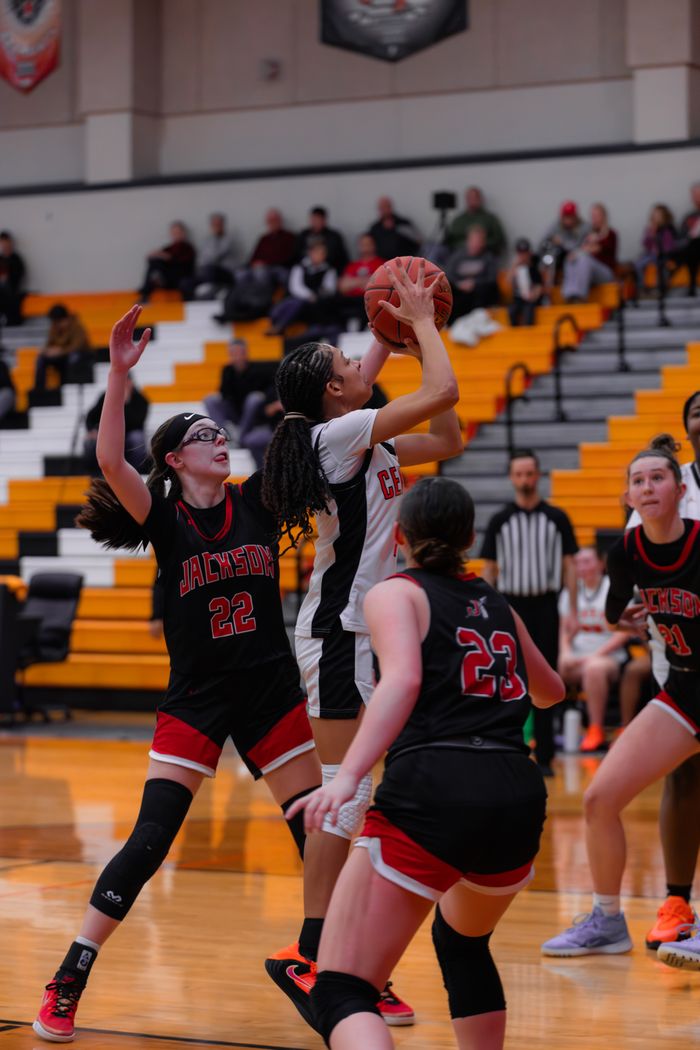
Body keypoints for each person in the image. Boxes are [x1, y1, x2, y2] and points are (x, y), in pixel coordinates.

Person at [32, 305, 326, 1043]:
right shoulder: (163, 518)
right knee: (150, 838)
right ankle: (70, 974)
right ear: (173, 461)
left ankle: (345, 967)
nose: (218, 441)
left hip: (268, 689)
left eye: (219, 433)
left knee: (320, 832)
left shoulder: (259, 500)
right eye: (202, 438)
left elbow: (328, 427)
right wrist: (120, 374)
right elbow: (108, 464)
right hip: (197, 698)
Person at [286, 476, 565, 1049]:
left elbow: (403, 681)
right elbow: (553, 691)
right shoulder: (496, 602)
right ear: (468, 537)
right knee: (462, 942)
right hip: (517, 794)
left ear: (402, 535)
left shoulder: (394, 593)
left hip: (434, 788)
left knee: (340, 990)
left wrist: (349, 777)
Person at [261, 258, 463, 1026]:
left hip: (363, 636)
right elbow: (437, 392)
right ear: (333, 394)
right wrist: (424, 325)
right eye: (351, 363)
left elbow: (446, 430)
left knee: (365, 795)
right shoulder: (337, 436)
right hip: (341, 637)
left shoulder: (363, 442)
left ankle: (346, 958)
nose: (362, 361)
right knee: (345, 795)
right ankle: (318, 954)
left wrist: (401, 330)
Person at [541, 434, 700, 958]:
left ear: (681, 489)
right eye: (638, 481)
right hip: (683, 688)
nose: (648, 487)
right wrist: (625, 620)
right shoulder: (625, 551)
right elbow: (614, 611)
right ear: (628, 497)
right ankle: (608, 921)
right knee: (599, 797)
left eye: (658, 478)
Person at [626, 391, 700, 954]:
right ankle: (677, 902)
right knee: (683, 774)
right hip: (679, 652)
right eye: (696, 411)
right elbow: (636, 566)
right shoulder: (667, 485)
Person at [480, 449, 578, 775]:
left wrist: (573, 610)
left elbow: (570, 567)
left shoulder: (557, 518)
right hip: (511, 607)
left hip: (546, 606)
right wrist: (488, 612)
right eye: (519, 474)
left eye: (529, 473)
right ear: (512, 477)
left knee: (547, 677)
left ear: (538, 476)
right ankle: (513, 747)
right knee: (510, 678)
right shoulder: (499, 520)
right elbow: (490, 570)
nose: (524, 479)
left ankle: (547, 757)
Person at [558, 547, 649, 752]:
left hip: (608, 657)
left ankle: (595, 728)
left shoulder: (613, 587)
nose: (582, 566)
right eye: (579, 562)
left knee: (594, 669)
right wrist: (565, 654)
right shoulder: (570, 591)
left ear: (601, 564)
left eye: (587, 561)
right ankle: (543, 731)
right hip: (576, 658)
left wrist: (592, 656)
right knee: (549, 668)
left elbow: (623, 632)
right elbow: (564, 629)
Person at [202, 338, 272, 439]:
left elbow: (266, 391)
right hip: (235, 411)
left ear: (245, 353)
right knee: (210, 399)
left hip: (254, 415)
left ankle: (241, 437)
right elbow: (224, 393)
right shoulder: (228, 370)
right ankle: (224, 436)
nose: (236, 357)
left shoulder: (258, 369)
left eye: (238, 353)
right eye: (232, 353)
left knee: (254, 398)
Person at [266, 239, 339, 336]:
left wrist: (317, 295)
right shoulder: (300, 267)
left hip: (318, 304)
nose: (321, 255)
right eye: (318, 252)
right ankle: (278, 324)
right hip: (301, 301)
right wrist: (309, 295)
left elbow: (330, 289)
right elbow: (295, 287)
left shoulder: (329, 269)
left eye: (323, 253)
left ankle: (280, 326)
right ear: (310, 253)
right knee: (294, 303)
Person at [83, 373, 150, 475]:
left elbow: (137, 422)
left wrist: (125, 403)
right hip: (110, 435)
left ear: (131, 383)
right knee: (90, 442)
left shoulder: (140, 399)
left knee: (137, 439)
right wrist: (92, 430)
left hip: (130, 434)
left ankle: (138, 473)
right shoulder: (106, 396)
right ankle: (96, 474)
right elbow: (91, 416)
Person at [561, 203, 617, 303]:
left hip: (605, 272)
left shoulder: (611, 234)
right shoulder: (588, 234)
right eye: (592, 216)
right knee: (571, 258)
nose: (594, 219)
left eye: (596, 216)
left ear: (604, 216)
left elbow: (597, 249)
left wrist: (592, 244)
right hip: (589, 271)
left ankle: (580, 297)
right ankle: (569, 294)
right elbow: (582, 249)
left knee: (584, 259)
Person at [32, 303, 91, 393]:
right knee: (41, 358)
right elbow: (49, 344)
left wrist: (60, 351)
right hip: (61, 357)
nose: (57, 325)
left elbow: (77, 346)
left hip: (78, 357)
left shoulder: (77, 327)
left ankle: (68, 387)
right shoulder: (54, 327)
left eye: (58, 322)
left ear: (65, 319)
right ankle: (39, 390)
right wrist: (46, 351)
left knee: (73, 357)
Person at [445, 226, 500, 321]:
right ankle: (451, 324)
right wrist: (459, 284)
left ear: (483, 243)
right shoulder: (457, 256)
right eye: (474, 241)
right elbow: (448, 274)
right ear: (468, 241)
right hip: (459, 291)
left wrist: (474, 283)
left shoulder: (488, 258)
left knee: (489, 289)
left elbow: (491, 278)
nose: (476, 244)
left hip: (478, 293)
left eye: (479, 242)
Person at [180, 212, 236, 300]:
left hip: (224, 273)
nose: (216, 226)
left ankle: (209, 296)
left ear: (223, 225)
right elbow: (200, 259)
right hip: (206, 271)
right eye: (214, 224)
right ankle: (193, 303)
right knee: (185, 282)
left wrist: (214, 236)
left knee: (210, 269)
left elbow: (215, 256)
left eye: (218, 224)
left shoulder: (228, 239)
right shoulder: (206, 240)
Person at [538, 201, 589, 296]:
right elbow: (542, 243)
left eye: (571, 217)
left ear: (575, 217)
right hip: (557, 259)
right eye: (566, 217)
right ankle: (545, 290)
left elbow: (579, 247)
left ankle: (572, 294)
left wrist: (562, 242)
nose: (568, 220)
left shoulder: (584, 227)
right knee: (548, 257)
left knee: (573, 258)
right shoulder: (556, 226)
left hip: (576, 259)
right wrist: (551, 241)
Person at [139, 221, 196, 301]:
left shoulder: (188, 248)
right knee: (155, 262)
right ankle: (145, 293)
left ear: (183, 233)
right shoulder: (168, 248)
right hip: (167, 279)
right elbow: (152, 259)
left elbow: (183, 265)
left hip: (181, 279)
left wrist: (169, 257)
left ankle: (146, 291)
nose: (176, 235)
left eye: (178, 232)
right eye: (174, 233)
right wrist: (156, 254)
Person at [338, 233, 385, 328]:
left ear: (374, 245)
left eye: (368, 244)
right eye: (362, 244)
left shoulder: (382, 264)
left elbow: (382, 285)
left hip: (372, 301)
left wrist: (353, 282)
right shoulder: (352, 266)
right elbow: (342, 287)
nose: (365, 247)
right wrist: (367, 280)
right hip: (353, 302)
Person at [445, 186, 506, 257]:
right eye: (470, 198)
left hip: (484, 254)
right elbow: (450, 241)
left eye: (475, 197)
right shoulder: (458, 220)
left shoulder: (490, 219)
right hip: (460, 253)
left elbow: (499, 240)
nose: (472, 200)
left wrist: (480, 244)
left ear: (480, 199)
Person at [634, 204, 677, 295]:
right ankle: (642, 287)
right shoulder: (649, 229)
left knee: (662, 266)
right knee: (638, 264)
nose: (655, 217)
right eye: (654, 214)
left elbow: (669, 247)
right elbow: (646, 244)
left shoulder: (666, 230)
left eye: (658, 215)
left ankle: (660, 288)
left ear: (663, 217)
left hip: (663, 256)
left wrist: (660, 249)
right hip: (650, 255)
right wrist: (651, 236)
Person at [295, 207, 349, 274]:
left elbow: (341, 258)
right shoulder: (303, 235)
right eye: (314, 219)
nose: (317, 222)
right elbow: (297, 254)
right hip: (305, 269)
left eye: (319, 219)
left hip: (328, 269)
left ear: (324, 220)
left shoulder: (334, 236)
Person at [670, 183, 700, 297]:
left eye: (699, 194)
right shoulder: (689, 217)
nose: (697, 198)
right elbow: (680, 239)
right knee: (693, 245)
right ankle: (691, 285)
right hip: (692, 249)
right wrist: (690, 236)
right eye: (695, 195)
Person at [506, 238, 543, 327]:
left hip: (530, 299)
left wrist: (533, 295)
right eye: (520, 253)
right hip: (518, 299)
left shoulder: (533, 269)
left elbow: (539, 285)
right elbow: (508, 282)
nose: (523, 256)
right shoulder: (515, 268)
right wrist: (514, 267)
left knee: (528, 312)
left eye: (525, 253)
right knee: (512, 311)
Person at [0, 230, 26, 325]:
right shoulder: (1, 259)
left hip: (12, 292)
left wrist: (7, 278)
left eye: (6, 242)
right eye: (2, 243)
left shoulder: (16, 259)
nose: (5, 245)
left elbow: (19, 277)